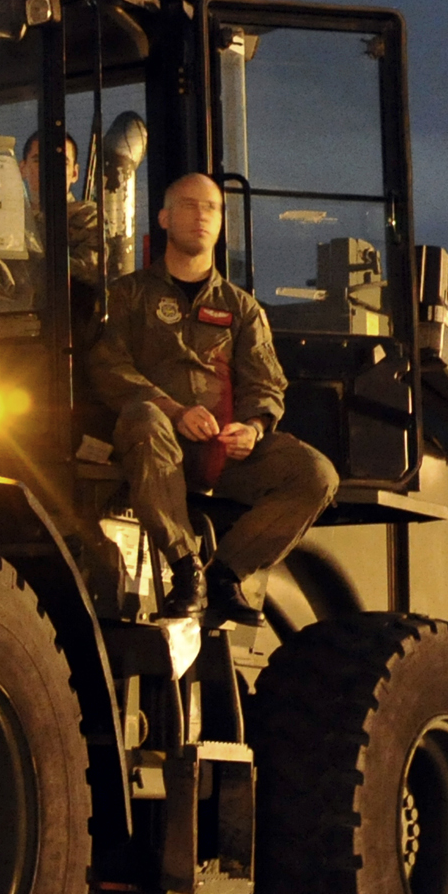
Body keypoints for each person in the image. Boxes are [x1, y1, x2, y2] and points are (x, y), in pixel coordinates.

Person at [89, 173, 338, 627]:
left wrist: (254, 428)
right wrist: (175, 411)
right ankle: (186, 570)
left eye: (212, 207)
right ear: (164, 218)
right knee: (144, 417)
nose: (201, 214)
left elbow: (266, 383)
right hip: (153, 443)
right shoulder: (127, 296)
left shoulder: (242, 309)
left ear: (221, 223)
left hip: (222, 454)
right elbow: (109, 367)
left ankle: (224, 574)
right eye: (188, 204)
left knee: (315, 474)